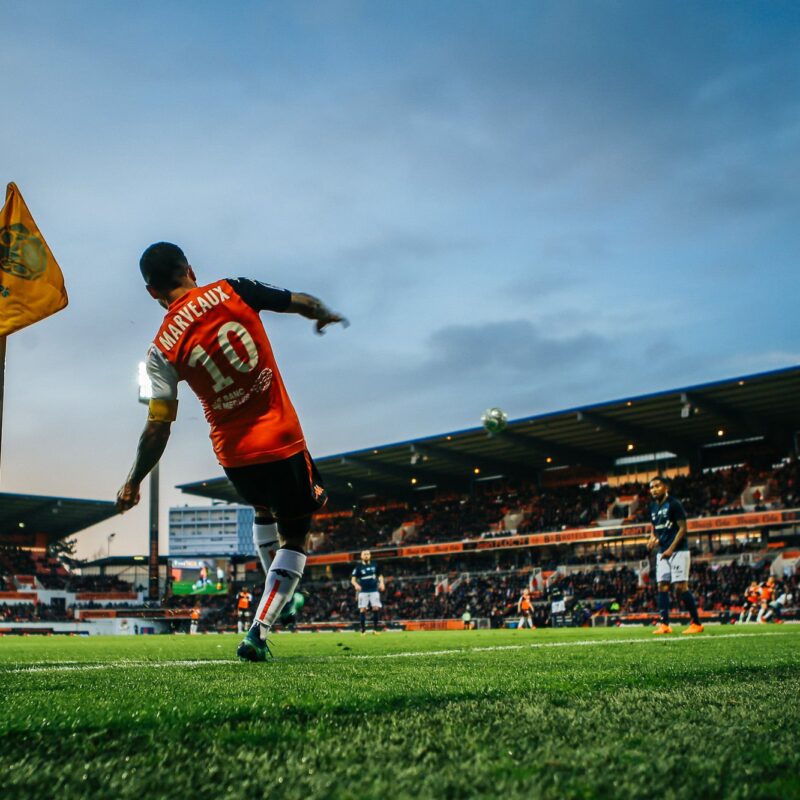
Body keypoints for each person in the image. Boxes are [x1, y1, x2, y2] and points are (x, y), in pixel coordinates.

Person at [116, 242, 347, 662]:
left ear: (151, 293)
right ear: (190, 268)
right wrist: (323, 314)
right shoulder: (233, 290)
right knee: (295, 534)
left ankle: (280, 599)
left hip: (234, 457)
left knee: (263, 511)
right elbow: (301, 302)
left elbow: (157, 428)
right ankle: (259, 631)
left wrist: (133, 480)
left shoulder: (159, 350)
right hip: (281, 442)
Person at [647, 476, 703, 635]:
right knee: (662, 585)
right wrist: (652, 537)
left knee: (680, 587)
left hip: (678, 551)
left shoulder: (674, 504)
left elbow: (683, 528)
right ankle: (664, 624)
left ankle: (696, 623)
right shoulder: (652, 507)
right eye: (651, 487)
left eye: (657, 486)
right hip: (662, 551)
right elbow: (654, 526)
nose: (654, 489)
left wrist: (671, 549)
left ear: (666, 488)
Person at [351, 550, 384, 634]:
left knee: (375, 608)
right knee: (362, 609)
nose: (366, 555)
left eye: (368, 554)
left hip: (374, 590)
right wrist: (356, 585)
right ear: (361, 556)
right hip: (363, 591)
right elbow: (353, 580)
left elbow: (380, 575)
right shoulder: (358, 567)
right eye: (364, 554)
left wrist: (382, 583)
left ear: (370, 556)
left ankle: (375, 630)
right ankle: (363, 630)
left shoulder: (374, 565)